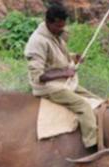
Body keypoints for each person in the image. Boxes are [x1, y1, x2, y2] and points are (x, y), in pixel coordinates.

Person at [24, 3, 100, 150]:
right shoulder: (37, 42)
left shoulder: (54, 34)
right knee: (84, 106)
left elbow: (55, 58)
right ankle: (91, 145)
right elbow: (38, 76)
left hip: (64, 83)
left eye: (63, 26)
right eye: (58, 27)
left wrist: (73, 57)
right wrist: (65, 73)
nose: (61, 30)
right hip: (48, 87)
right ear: (48, 22)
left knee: (96, 100)